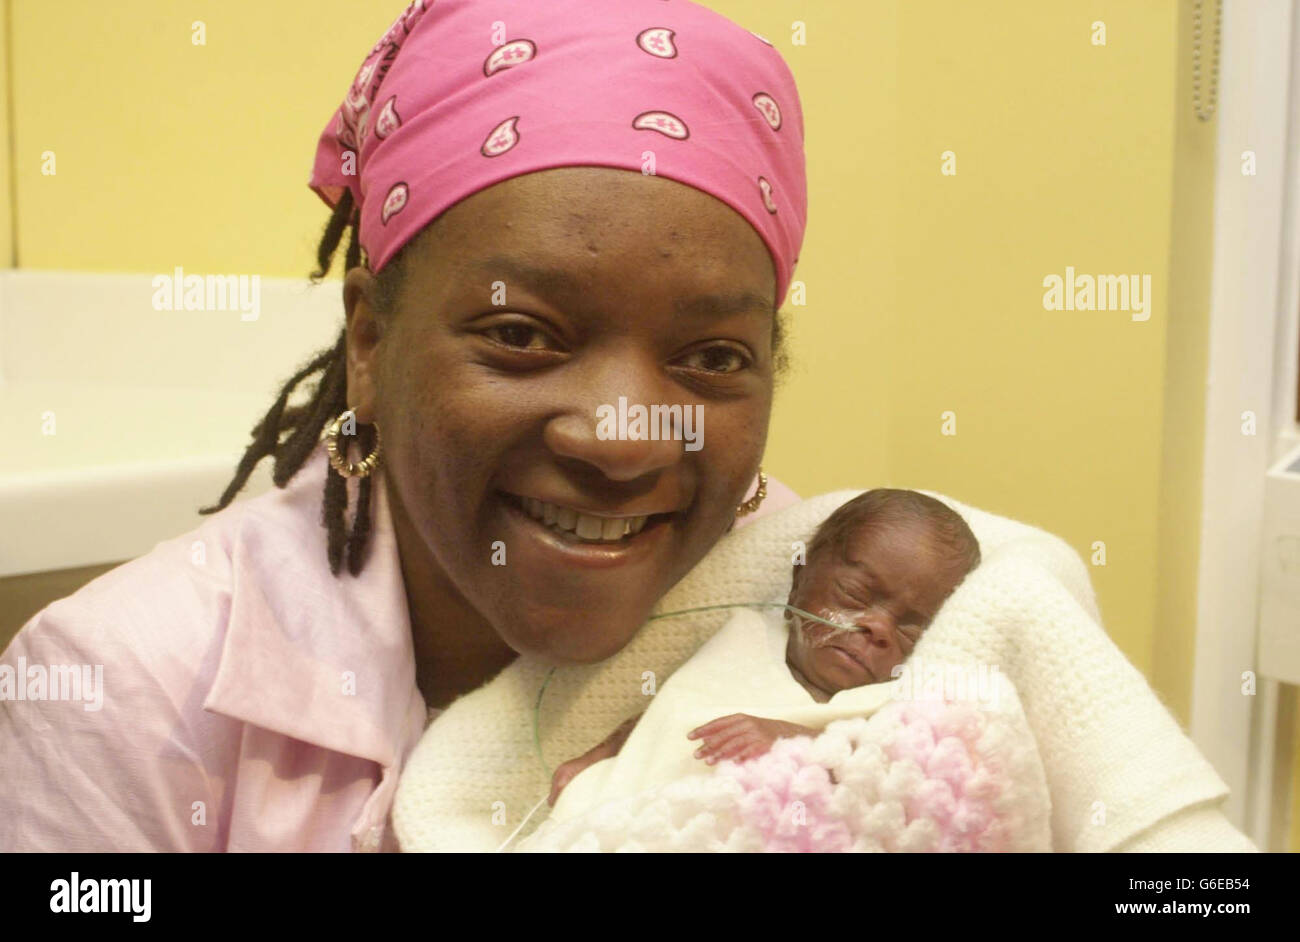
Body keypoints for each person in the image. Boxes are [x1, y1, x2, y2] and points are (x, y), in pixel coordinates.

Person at [0, 0, 807, 851]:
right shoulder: (124, 687)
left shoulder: (822, 612)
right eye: (521, 336)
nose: (622, 437)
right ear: (371, 344)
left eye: (711, 358)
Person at [546, 488, 982, 808]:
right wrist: (598, 756)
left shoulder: (889, 705)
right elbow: (667, 713)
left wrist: (789, 737)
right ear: (798, 583)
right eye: (854, 594)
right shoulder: (744, 641)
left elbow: (884, 768)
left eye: (912, 628)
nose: (878, 627)